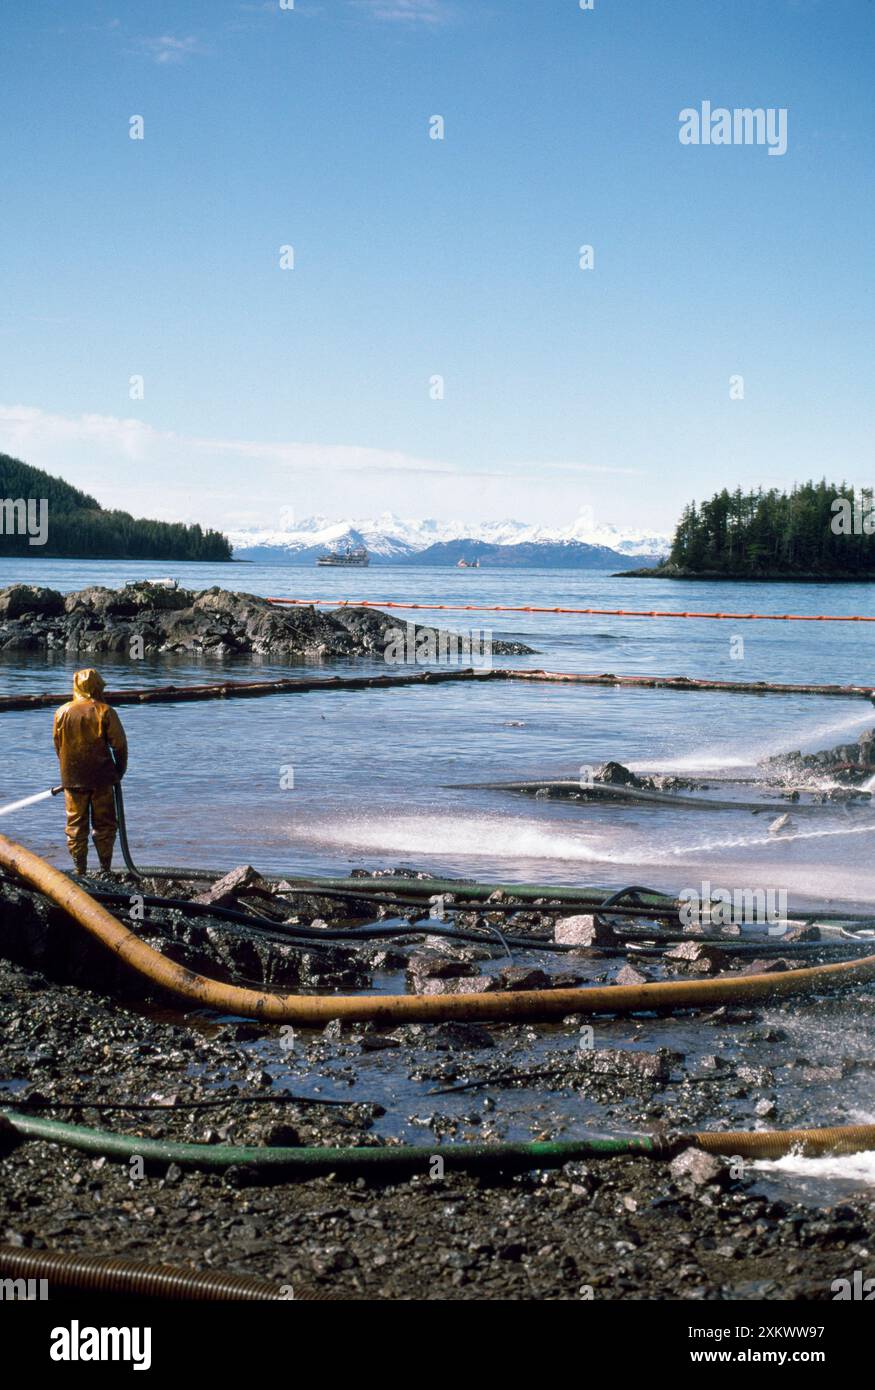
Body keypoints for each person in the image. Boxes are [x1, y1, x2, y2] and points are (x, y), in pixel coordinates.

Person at [52, 668, 128, 876]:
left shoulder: (61, 712)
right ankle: (105, 869)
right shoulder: (105, 711)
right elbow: (119, 745)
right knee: (105, 824)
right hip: (102, 777)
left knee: (75, 826)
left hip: (72, 778)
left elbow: (59, 746)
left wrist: (68, 771)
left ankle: (80, 870)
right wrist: (119, 772)